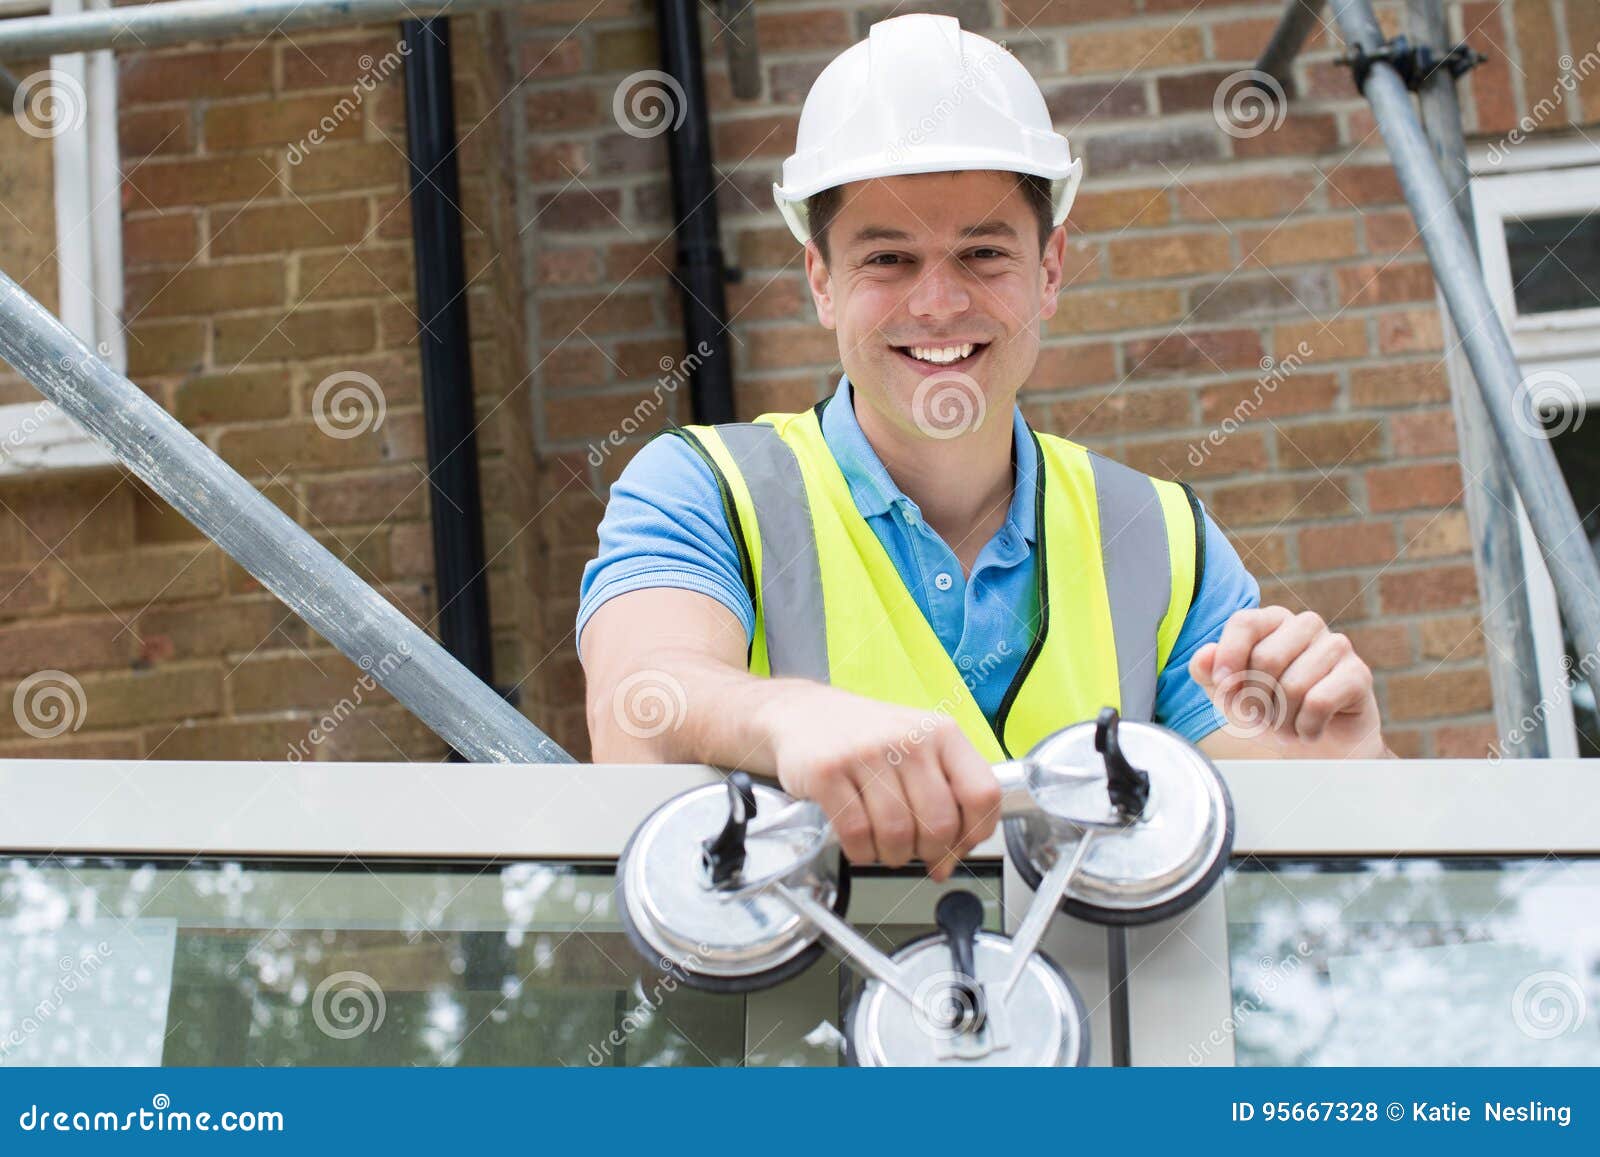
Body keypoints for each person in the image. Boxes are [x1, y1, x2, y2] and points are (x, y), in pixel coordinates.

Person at [578, 13, 1393, 883]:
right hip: (805, 1019)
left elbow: (1287, 859)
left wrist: (1347, 774)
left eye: (982, 253)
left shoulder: (1160, 536)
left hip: (1113, 1018)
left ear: (1049, 270)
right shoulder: (706, 488)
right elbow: (639, 705)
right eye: (887, 257)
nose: (936, 303)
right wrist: (789, 717)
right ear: (822, 281)